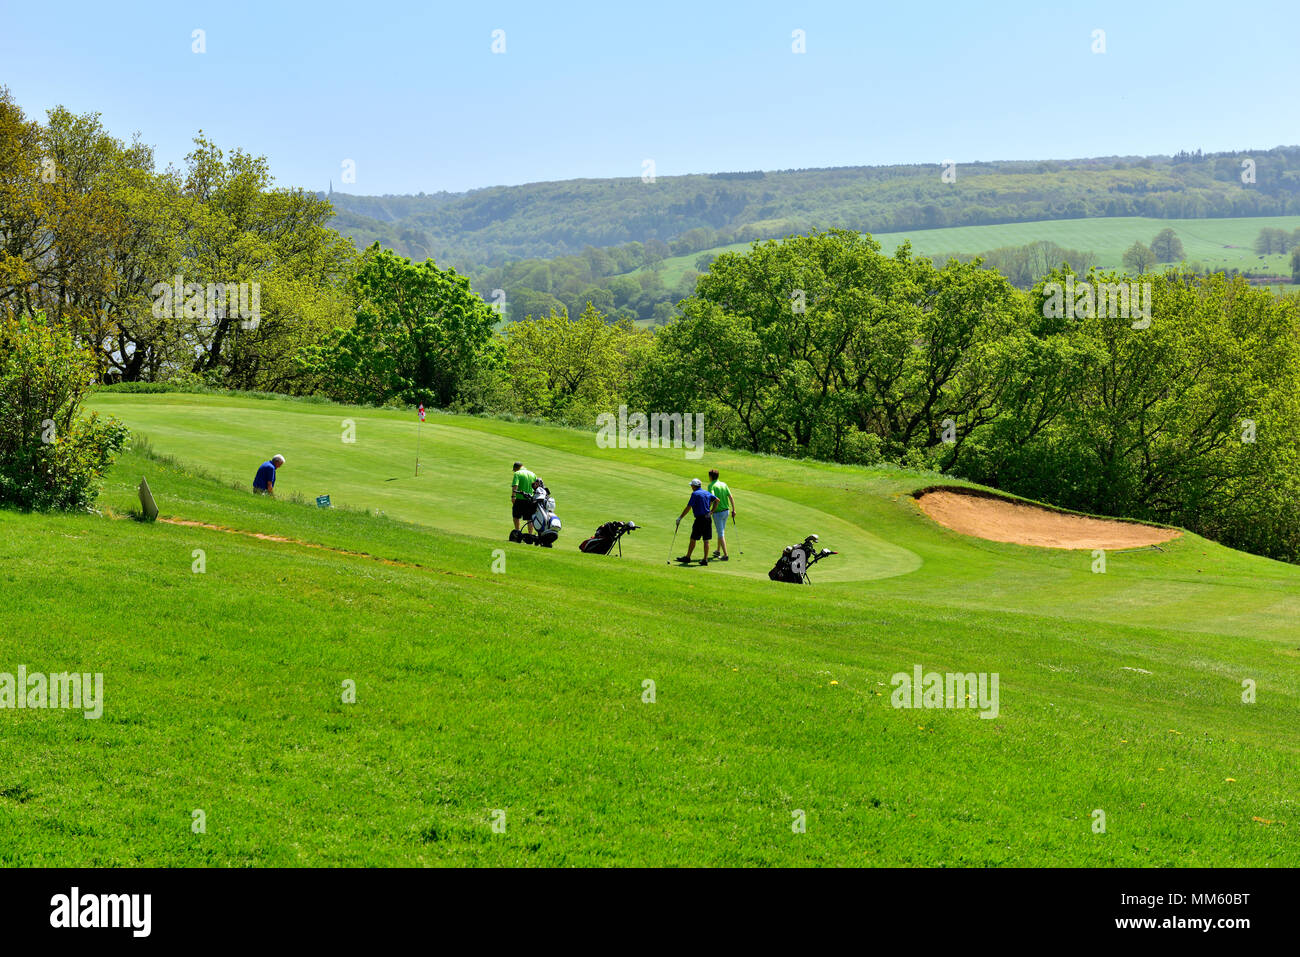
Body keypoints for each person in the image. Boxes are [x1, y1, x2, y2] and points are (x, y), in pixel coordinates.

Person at [675, 478, 718, 565]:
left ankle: (688, 557)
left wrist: (680, 518)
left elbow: (688, 507)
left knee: (693, 538)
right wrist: (711, 511)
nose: (691, 486)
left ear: (694, 486)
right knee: (706, 540)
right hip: (708, 518)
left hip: (700, 519)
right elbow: (717, 500)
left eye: (691, 485)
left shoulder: (695, 494)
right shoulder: (706, 492)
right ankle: (705, 560)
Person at [706, 468, 736, 561]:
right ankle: (718, 550)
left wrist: (709, 509)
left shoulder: (711, 485)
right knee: (721, 531)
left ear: (711, 477)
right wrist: (734, 509)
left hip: (718, 513)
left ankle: (725, 555)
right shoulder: (724, 484)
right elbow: (730, 497)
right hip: (726, 511)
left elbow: (712, 498)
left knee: (720, 533)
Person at [511, 461, 538, 534]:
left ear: (516, 468)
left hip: (520, 499)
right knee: (529, 519)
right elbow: (536, 486)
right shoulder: (533, 474)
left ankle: (517, 532)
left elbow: (515, 485)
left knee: (516, 516)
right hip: (530, 500)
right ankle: (530, 535)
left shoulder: (517, 473)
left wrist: (513, 496)